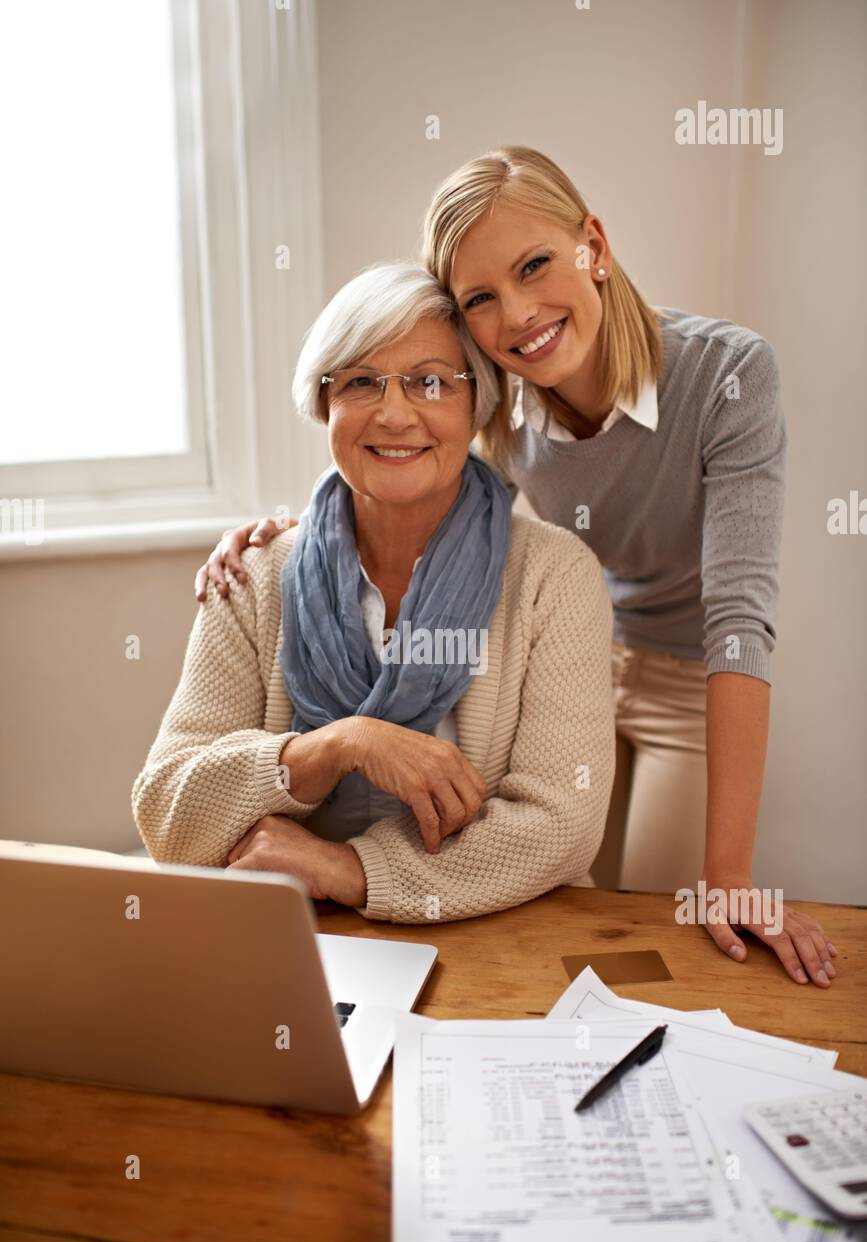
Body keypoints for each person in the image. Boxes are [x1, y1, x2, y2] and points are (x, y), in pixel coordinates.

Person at [196, 147, 837, 988]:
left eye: (535, 265)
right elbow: (401, 451)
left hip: (690, 672)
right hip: (569, 662)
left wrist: (729, 875)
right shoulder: (502, 393)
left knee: (661, 922)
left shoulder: (728, 375)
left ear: (593, 248)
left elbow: (739, 622)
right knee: (545, 901)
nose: (519, 314)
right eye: (481, 300)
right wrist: (288, 529)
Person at [133, 262, 615, 924]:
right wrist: (338, 745)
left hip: (503, 936)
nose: (393, 413)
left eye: (430, 382)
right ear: (323, 402)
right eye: (361, 381)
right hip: (302, 943)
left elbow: (560, 824)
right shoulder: (252, 573)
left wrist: (350, 869)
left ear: (475, 404)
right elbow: (167, 814)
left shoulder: (555, 577)